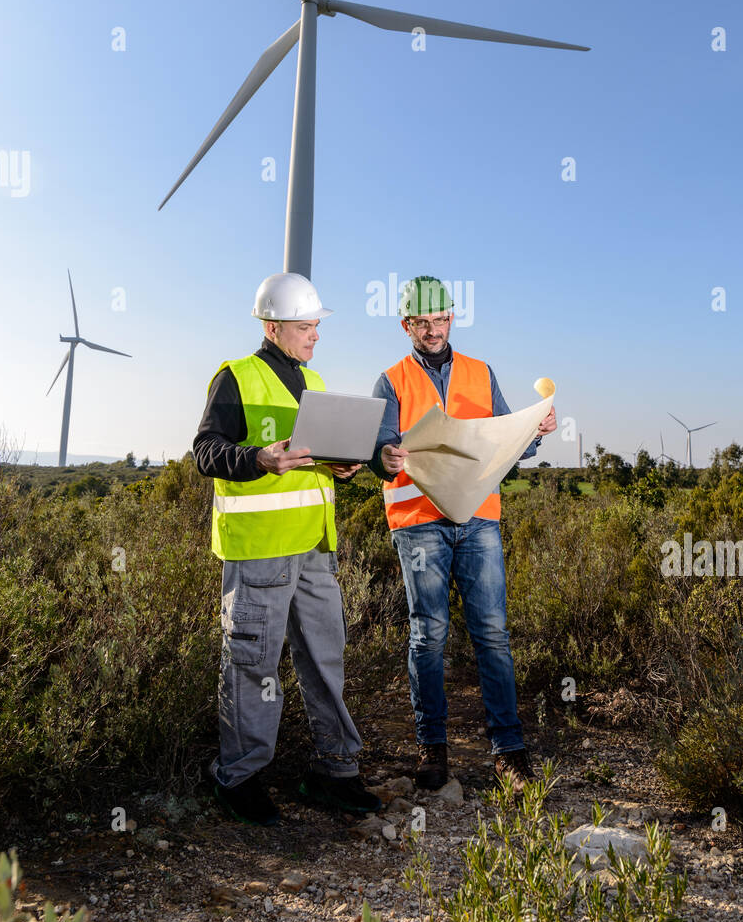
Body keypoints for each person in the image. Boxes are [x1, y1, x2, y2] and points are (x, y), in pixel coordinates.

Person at [193, 271, 381, 826]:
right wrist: (258, 459)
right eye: (306, 327)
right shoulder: (235, 378)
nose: (315, 336)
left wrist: (342, 468)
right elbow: (205, 452)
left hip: (315, 550)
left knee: (326, 657)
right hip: (259, 554)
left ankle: (335, 771)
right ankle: (240, 777)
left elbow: (312, 462)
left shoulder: (312, 380)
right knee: (252, 662)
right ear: (273, 328)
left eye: (317, 327)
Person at [369, 276, 557, 793]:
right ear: (407, 325)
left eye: (440, 320)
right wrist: (384, 457)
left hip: (479, 519)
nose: (433, 330)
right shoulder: (390, 382)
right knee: (428, 635)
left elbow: (503, 445)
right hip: (420, 522)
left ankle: (509, 753)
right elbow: (379, 454)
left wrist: (532, 432)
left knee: (492, 634)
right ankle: (433, 749)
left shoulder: (481, 372)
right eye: (422, 323)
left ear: (452, 318)